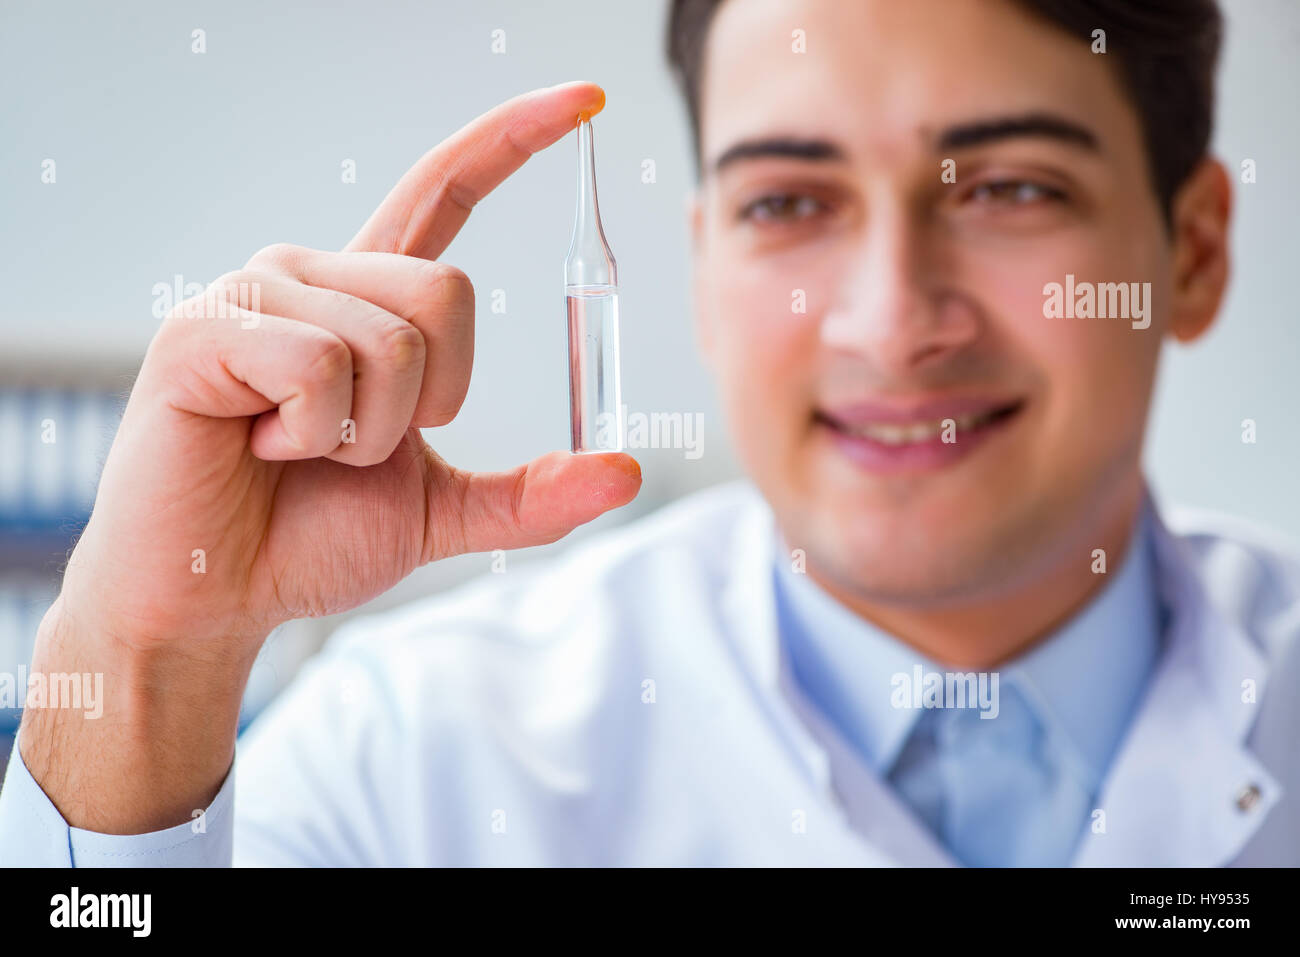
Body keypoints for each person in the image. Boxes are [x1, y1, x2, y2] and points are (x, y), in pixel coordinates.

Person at [2, 0, 1297, 867]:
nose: (892, 320)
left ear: (1190, 253)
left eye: (1014, 188)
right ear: (700, 268)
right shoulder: (408, 763)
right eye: (791, 201)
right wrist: (146, 663)